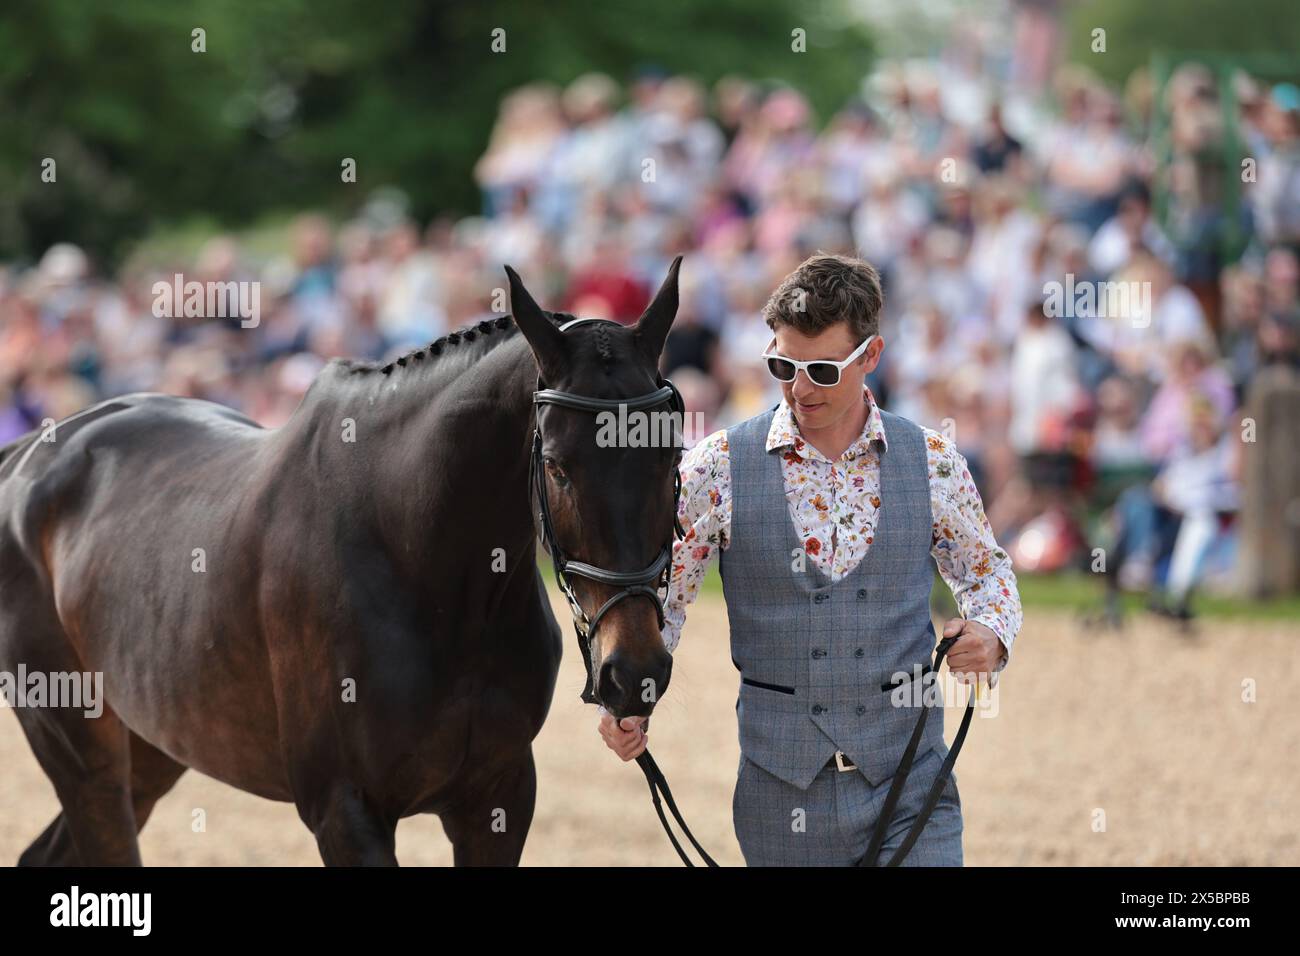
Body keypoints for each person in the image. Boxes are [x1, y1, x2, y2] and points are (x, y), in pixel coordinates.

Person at [598, 253, 1023, 865]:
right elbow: (664, 600)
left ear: (871, 356)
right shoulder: (715, 468)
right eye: (783, 365)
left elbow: (987, 574)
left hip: (911, 786)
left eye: (822, 370)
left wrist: (991, 633)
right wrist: (631, 699)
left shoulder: (933, 460)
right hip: (779, 797)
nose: (799, 388)